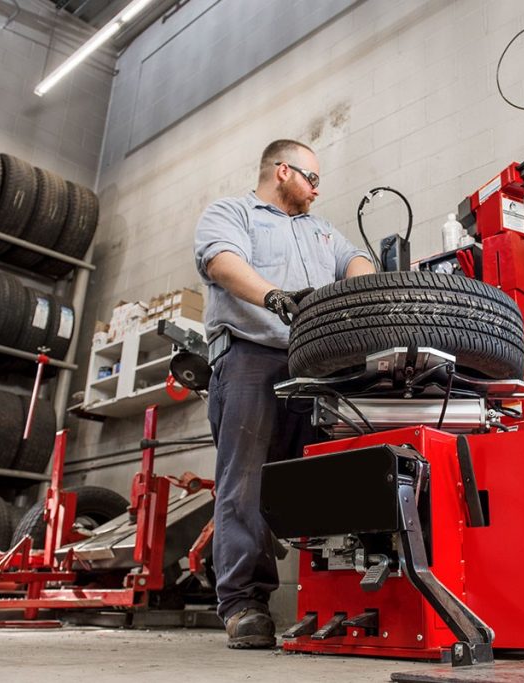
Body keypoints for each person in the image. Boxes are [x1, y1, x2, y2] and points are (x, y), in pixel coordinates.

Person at [193, 139, 375, 648]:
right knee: (245, 483)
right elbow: (222, 263)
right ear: (282, 171)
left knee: (330, 477)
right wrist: (273, 296)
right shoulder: (232, 213)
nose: (318, 190)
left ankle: (339, 596)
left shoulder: (321, 230)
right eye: (311, 178)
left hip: (316, 365)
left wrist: (358, 290)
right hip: (252, 357)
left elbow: (355, 260)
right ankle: (243, 605)